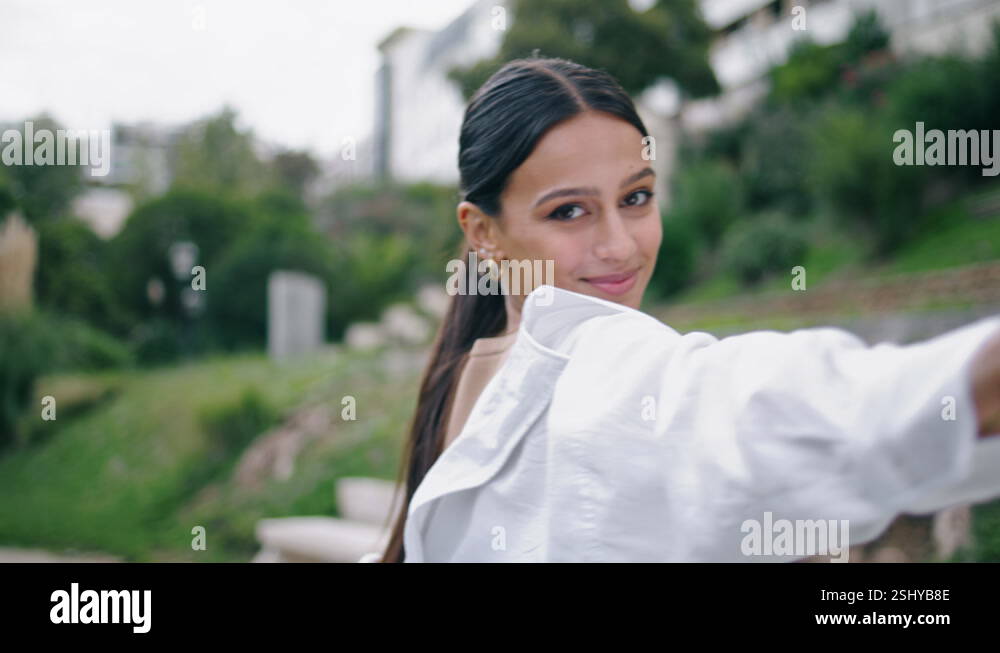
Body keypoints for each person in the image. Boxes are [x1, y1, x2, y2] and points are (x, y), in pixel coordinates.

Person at [370, 56, 1000, 563]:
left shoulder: (465, 374)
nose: (620, 245)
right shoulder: (600, 369)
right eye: (569, 211)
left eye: (637, 198)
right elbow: (778, 412)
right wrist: (962, 386)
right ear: (482, 233)